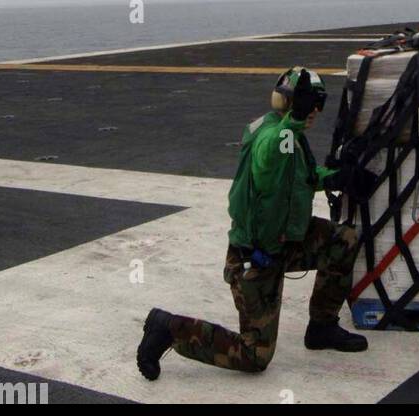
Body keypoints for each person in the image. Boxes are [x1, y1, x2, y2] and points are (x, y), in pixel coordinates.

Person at [136, 67, 368, 380]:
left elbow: (297, 178)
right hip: (256, 255)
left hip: (288, 240)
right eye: (307, 102)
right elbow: (270, 157)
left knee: (345, 239)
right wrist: (294, 122)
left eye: (318, 104)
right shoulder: (275, 135)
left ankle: (322, 327)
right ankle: (169, 328)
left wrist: (336, 178)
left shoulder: (291, 136)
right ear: (288, 102)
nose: (314, 111)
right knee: (255, 356)